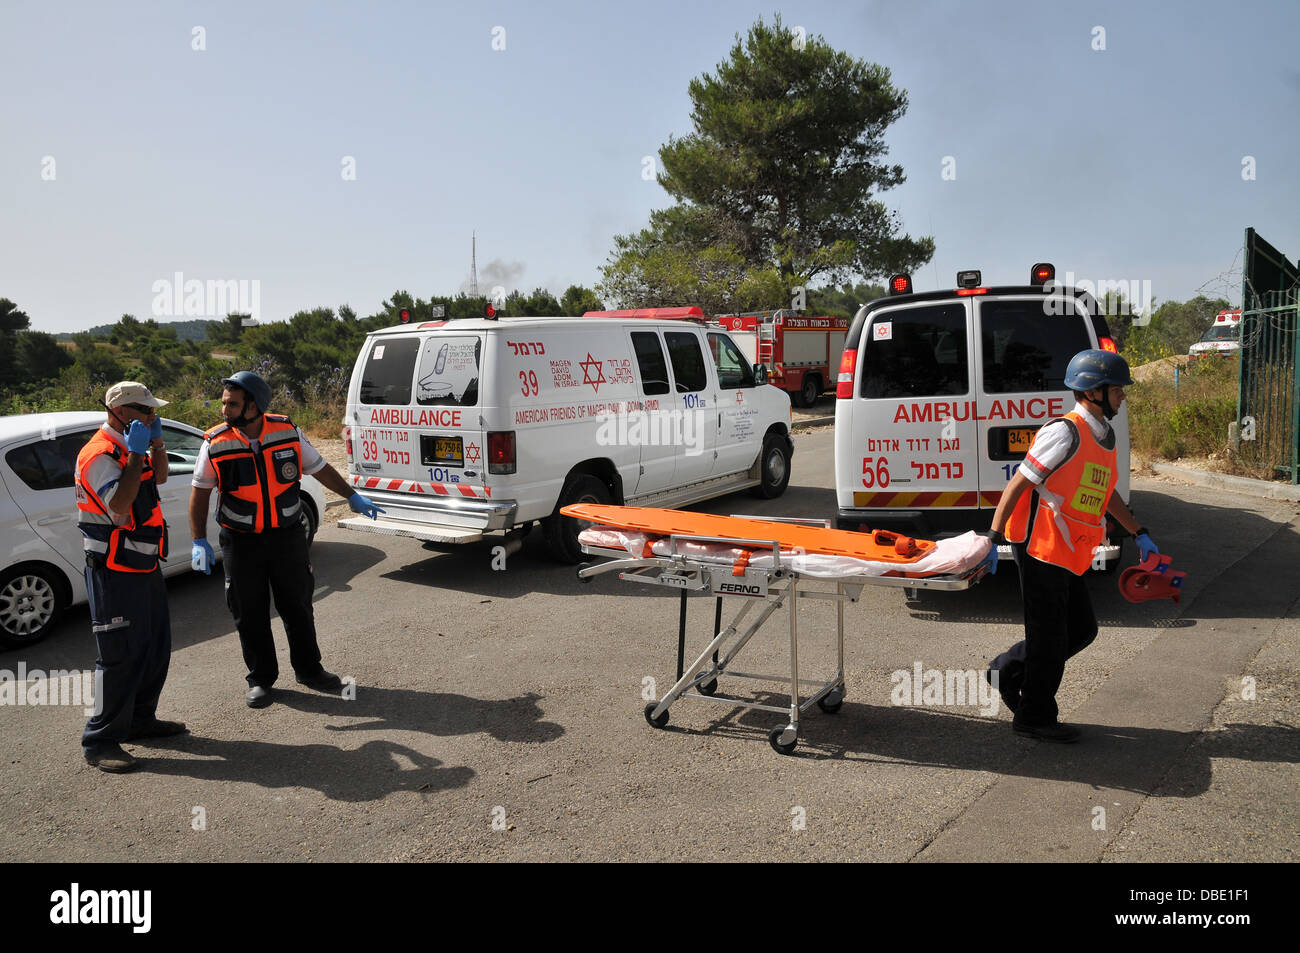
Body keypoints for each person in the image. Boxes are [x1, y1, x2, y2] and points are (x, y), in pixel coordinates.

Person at [983, 349, 1158, 743]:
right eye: (1117, 390)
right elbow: (1019, 484)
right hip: (1039, 545)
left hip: (1068, 549)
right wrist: (993, 537)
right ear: (1094, 392)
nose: (1123, 397)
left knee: (1081, 629)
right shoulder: (1065, 431)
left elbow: (1106, 490)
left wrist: (1137, 531)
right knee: (1050, 638)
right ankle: (1034, 716)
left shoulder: (1104, 436)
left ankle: (1007, 670)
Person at [188, 371, 383, 708]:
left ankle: (310, 670)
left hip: (287, 537)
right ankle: (261, 679)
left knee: (298, 606)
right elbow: (200, 493)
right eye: (223, 403)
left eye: (232, 404)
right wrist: (198, 541)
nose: (224, 410)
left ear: (254, 405)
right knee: (249, 613)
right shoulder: (215, 442)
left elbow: (319, 467)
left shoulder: (287, 431)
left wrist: (351, 496)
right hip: (241, 541)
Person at [76, 381, 187, 773]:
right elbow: (119, 504)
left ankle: (139, 720)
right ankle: (101, 740)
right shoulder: (98, 455)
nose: (152, 417)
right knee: (119, 655)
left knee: (155, 645)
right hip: (112, 570)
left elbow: (159, 479)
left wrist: (154, 446)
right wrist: (136, 454)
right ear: (120, 412)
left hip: (142, 563)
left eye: (154, 411)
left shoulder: (130, 446)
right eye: (146, 411)